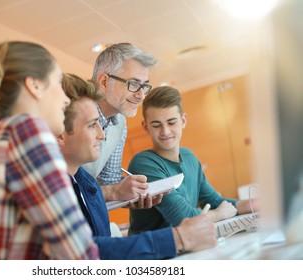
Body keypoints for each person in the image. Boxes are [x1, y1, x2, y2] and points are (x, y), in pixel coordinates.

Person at [0, 41, 99, 260]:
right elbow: (79, 255)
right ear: (35, 86)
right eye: (59, 83)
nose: (66, 98)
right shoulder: (27, 132)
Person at [57, 73, 217, 259]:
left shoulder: (84, 181)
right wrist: (178, 238)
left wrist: (117, 194)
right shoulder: (50, 189)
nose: (102, 136)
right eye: (93, 125)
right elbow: (87, 254)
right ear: (60, 134)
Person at [127, 86, 259, 234]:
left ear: (183, 121)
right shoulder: (143, 164)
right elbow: (184, 218)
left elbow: (213, 200)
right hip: (156, 253)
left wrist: (252, 204)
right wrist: (220, 214)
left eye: (171, 122)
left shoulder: (189, 157)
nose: (165, 131)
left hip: (186, 246)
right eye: (156, 125)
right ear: (146, 127)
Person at [82, 42, 160, 207]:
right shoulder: (73, 113)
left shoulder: (120, 124)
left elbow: (108, 182)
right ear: (104, 82)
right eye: (133, 84)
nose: (141, 95)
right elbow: (62, 187)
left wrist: (133, 194)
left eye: (144, 86)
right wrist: (115, 191)